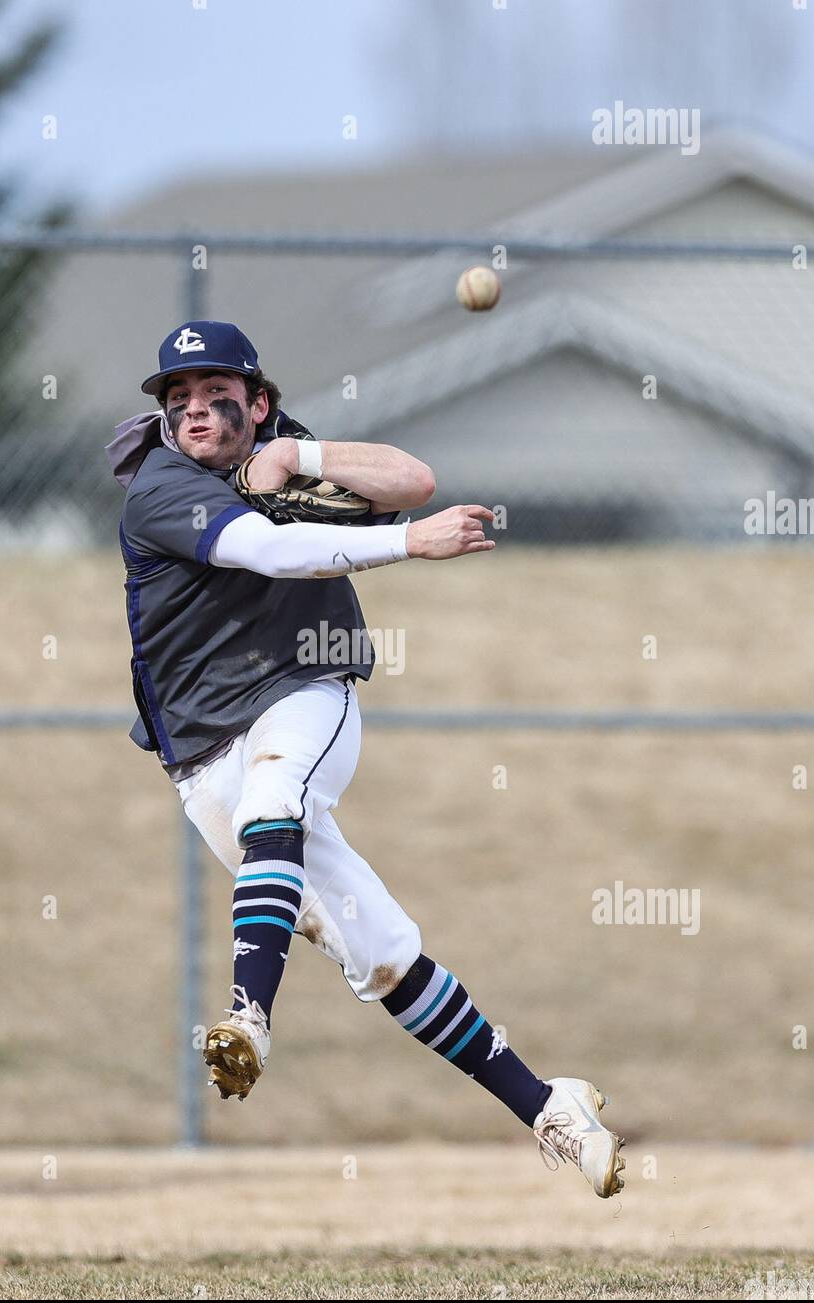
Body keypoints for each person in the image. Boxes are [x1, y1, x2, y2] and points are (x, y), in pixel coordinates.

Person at [107, 319, 626, 1199]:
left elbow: (413, 480)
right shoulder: (159, 487)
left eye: (216, 393)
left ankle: (248, 1020)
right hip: (198, 753)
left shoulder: (282, 444)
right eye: (179, 398)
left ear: (257, 401)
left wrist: (302, 460)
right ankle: (550, 1108)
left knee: (276, 799)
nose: (196, 410)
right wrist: (409, 541)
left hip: (305, 689)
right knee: (379, 955)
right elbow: (271, 552)